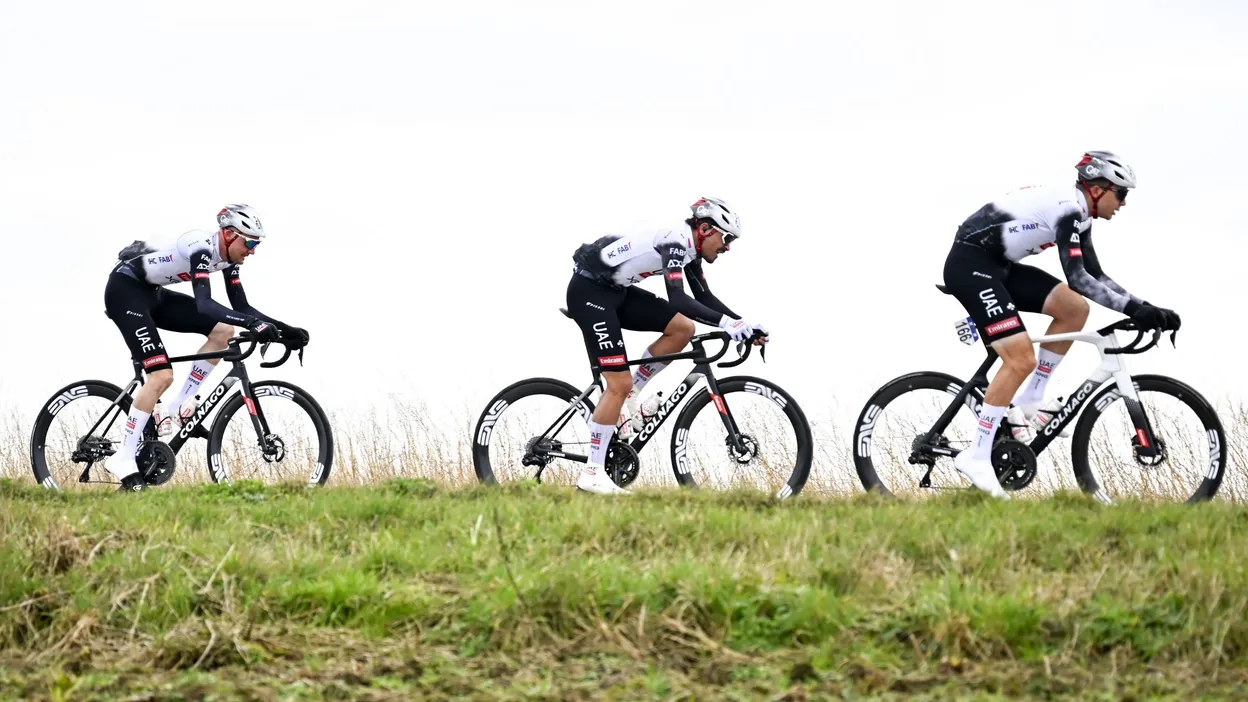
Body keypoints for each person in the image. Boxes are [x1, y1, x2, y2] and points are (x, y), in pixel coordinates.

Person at [941, 152, 1181, 498]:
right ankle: (976, 455)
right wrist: (1135, 310)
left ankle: (1031, 399)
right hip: (970, 265)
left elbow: (1095, 274)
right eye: (1121, 194)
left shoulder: (1080, 215)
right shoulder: (1067, 209)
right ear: (1098, 189)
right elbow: (1078, 278)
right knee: (1020, 359)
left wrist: (1146, 307)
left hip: (999, 266)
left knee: (1074, 309)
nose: (1123, 203)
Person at [566, 197, 768, 495]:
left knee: (682, 329)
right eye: (726, 239)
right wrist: (727, 324)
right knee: (617, 384)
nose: (727, 247)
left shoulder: (690, 249)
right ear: (705, 229)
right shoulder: (674, 242)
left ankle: (632, 393)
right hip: (589, 293)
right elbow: (679, 299)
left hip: (616, 292)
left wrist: (742, 325)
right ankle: (592, 472)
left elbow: (703, 297)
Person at [103, 204, 309, 491]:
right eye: (250, 243)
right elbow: (205, 304)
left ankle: (178, 405)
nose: (252, 251)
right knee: (161, 376)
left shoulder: (229, 258)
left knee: (224, 331)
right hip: (124, 292)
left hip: (153, 294)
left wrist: (285, 330)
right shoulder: (201, 248)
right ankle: (123, 457)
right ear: (229, 235)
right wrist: (253, 324)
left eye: (256, 245)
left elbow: (241, 307)